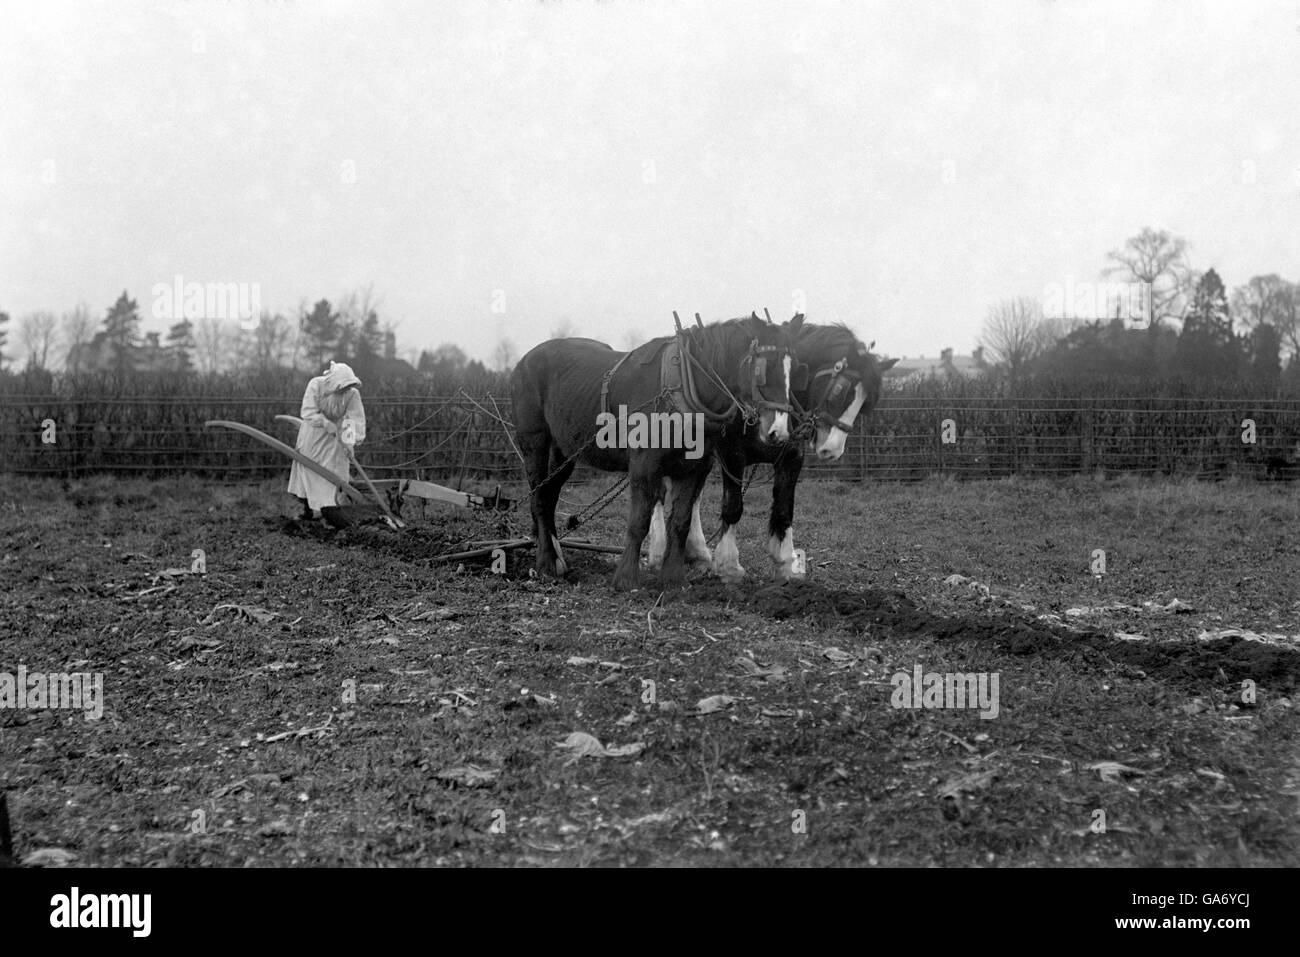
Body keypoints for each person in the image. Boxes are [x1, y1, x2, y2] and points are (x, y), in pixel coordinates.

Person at [287, 361, 367, 519]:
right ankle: (308, 510)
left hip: (337, 438)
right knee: (309, 470)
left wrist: (349, 442)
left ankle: (331, 511)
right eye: (343, 386)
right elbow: (308, 411)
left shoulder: (352, 394)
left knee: (336, 473)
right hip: (313, 433)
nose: (346, 389)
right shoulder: (316, 385)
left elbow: (354, 418)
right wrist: (324, 422)